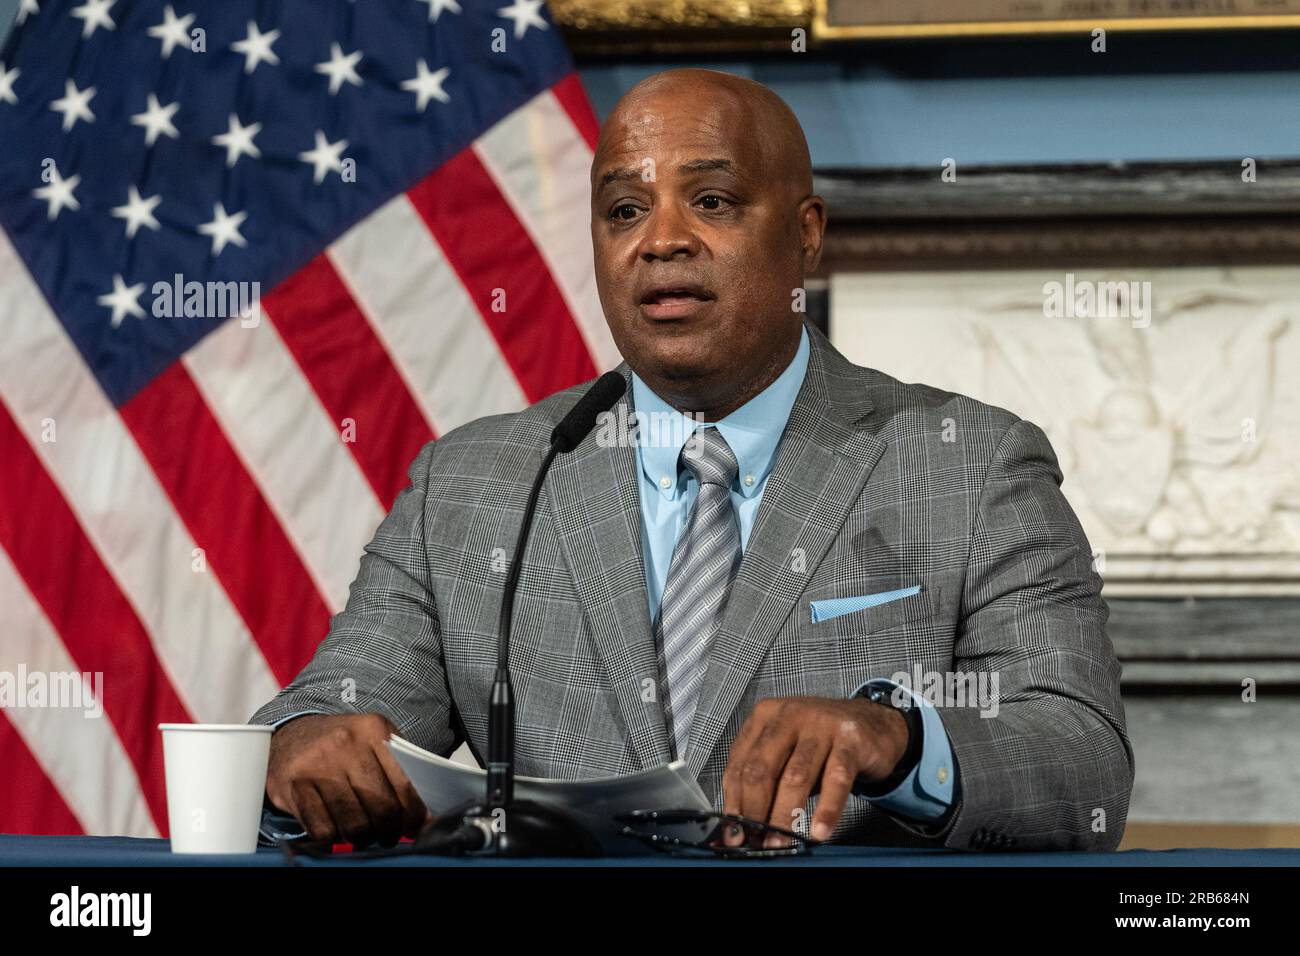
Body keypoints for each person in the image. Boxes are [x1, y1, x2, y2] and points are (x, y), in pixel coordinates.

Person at [250, 69, 1134, 852]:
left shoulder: (970, 467)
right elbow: (336, 707)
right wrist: (303, 746)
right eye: (624, 211)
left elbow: (1081, 760)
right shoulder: (475, 483)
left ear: (805, 235)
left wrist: (898, 741)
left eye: (711, 201)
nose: (660, 240)